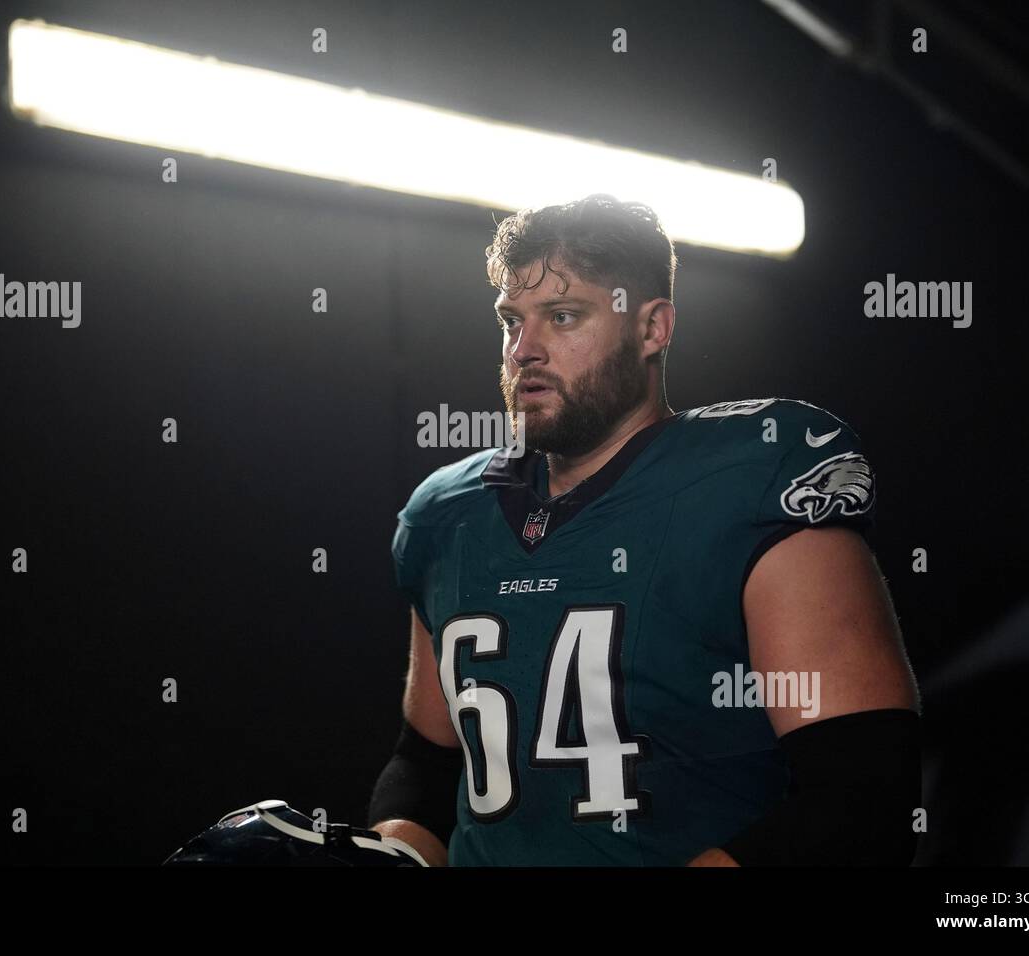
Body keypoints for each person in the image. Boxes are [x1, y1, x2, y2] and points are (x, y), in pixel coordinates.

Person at [368, 194, 921, 866]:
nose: (524, 350)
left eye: (563, 316)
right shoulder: (447, 514)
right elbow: (427, 765)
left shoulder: (751, 478)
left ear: (652, 327)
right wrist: (392, 853)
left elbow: (860, 796)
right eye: (510, 321)